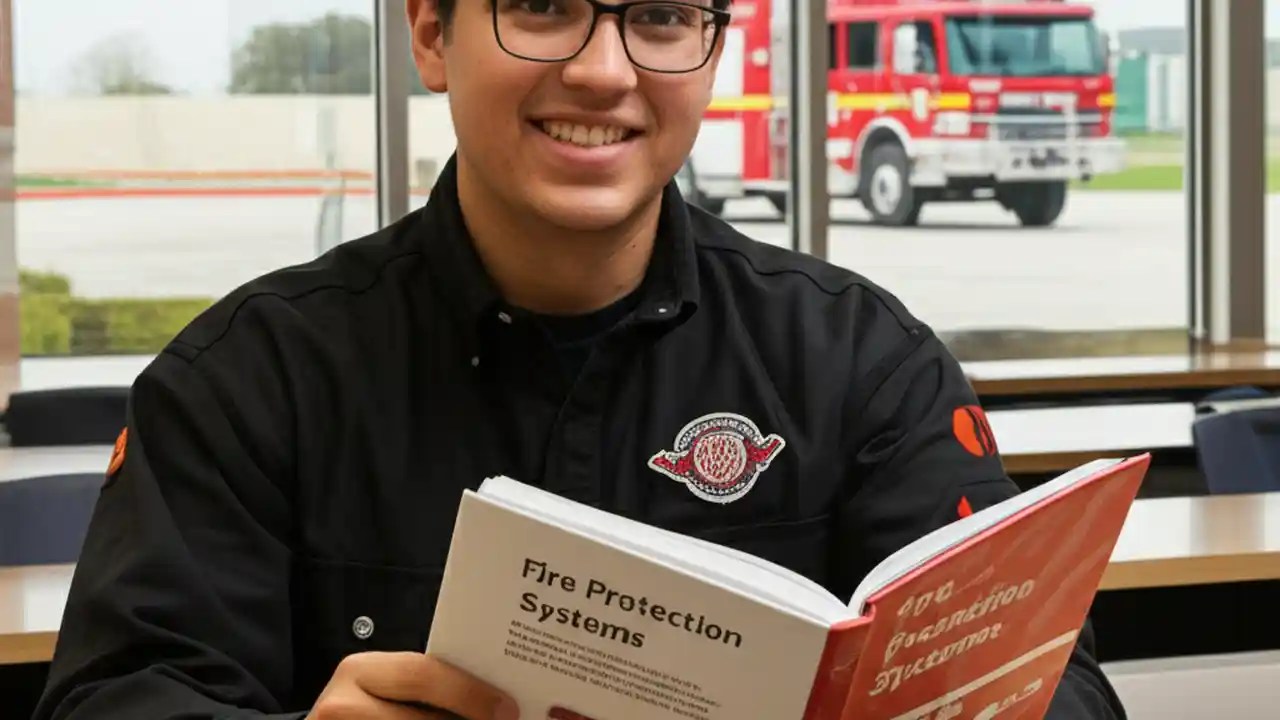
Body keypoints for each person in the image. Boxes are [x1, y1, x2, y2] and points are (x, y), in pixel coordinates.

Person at [34, 1, 1127, 718]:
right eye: (544, 8)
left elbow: (1057, 685)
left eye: (660, 17)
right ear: (430, 34)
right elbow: (116, 699)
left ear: (712, 49)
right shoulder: (246, 382)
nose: (605, 72)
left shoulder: (862, 364)